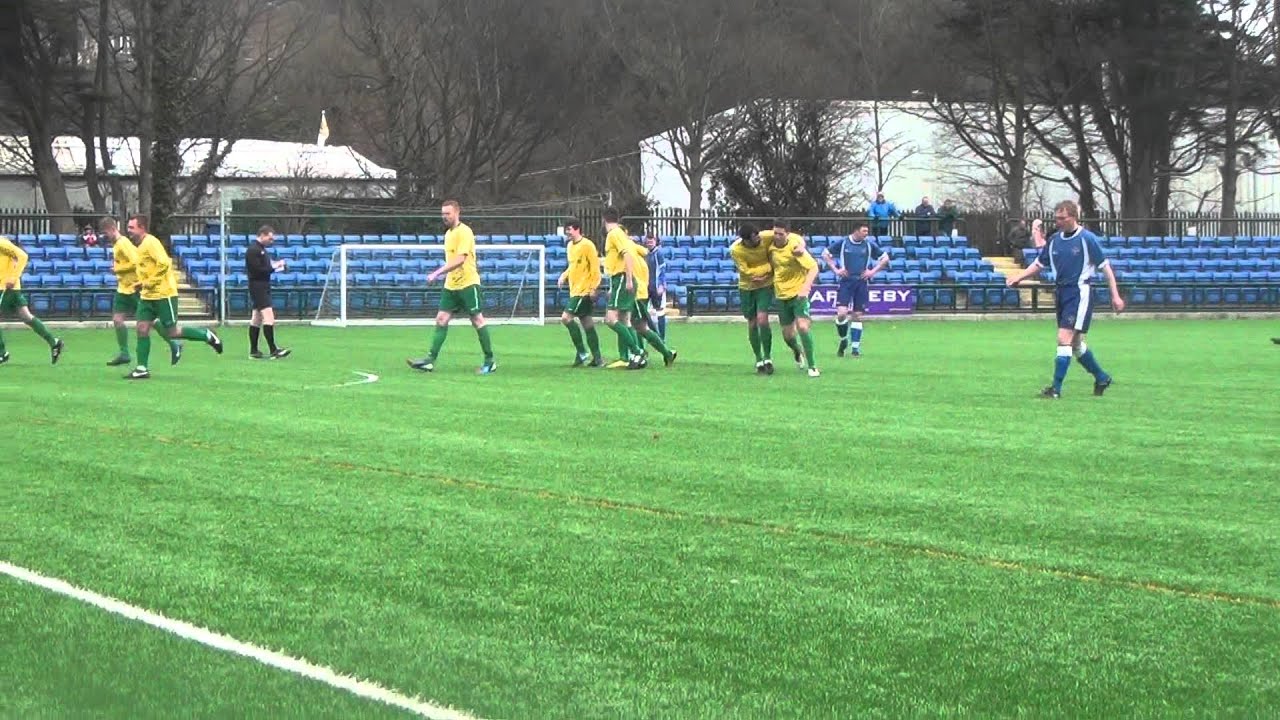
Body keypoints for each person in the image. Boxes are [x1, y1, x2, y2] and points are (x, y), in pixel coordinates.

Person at [1005, 200, 1124, 398]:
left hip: (1079, 293)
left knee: (1063, 338)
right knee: (1075, 344)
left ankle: (1056, 389)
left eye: (1062, 218)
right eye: (1056, 218)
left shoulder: (1087, 239)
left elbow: (1106, 268)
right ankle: (1102, 377)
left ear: (1073, 217)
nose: (1058, 221)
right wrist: (1019, 277)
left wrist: (1116, 296)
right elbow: (1039, 264)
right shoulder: (1054, 240)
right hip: (1062, 292)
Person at [124, 214, 223, 380]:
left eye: (131, 228)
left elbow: (164, 264)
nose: (129, 231)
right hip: (147, 296)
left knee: (172, 332)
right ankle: (142, 368)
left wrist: (148, 282)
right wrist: (142, 283)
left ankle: (206, 335)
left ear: (141, 228)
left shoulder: (151, 243)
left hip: (164, 294)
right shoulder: (139, 246)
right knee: (142, 328)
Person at [408, 200, 496, 374]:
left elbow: (460, 259)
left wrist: (437, 273)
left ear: (457, 213)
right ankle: (430, 361)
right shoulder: (448, 234)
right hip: (451, 284)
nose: (444, 217)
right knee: (441, 319)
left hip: (468, 283)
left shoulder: (465, 232)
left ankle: (489, 361)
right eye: (442, 214)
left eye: (447, 213)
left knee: (477, 320)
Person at [821, 223, 889, 357]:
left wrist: (872, 272)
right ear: (856, 231)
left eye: (867, 231)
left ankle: (855, 348)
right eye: (864, 231)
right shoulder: (844, 243)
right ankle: (843, 339)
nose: (866, 233)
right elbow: (825, 254)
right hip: (846, 282)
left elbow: (885, 258)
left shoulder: (868, 245)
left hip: (861, 283)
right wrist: (836, 269)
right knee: (841, 314)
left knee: (857, 315)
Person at [764, 219, 821, 377]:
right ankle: (797, 351)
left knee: (802, 327)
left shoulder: (795, 247)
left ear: (788, 234)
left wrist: (805, 287)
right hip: (781, 295)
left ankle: (813, 366)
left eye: (780, 234)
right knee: (788, 336)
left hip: (798, 294)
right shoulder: (770, 248)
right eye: (775, 233)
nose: (777, 236)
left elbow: (813, 267)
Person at [0, 235, 64, 365]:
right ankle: (54, 342)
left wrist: (13, 277)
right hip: (12, 288)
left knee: (27, 317)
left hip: (6, 288)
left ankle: (2, 353)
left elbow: (22, 256)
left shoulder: (2, 243)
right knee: (27, 317)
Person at [556, 218, 605, 367]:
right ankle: (597, 358)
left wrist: (593, 288)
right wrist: (563, 276)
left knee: (566, 318)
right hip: (574, 289)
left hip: (583, 290)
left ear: (577, 229)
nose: (567, 232)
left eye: (569, 229)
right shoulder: (570, 246)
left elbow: (595, 268)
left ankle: (582, 352)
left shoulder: (588, 245)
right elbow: (572, 265)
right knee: (586, 321)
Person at [600, 208, 644, 368]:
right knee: (625, 320)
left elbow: (627, 255)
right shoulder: (619, 234)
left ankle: (638, 353)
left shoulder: (614, 234)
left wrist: (628, 280)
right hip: (618, 279)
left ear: (604, 219)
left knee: (610, 319)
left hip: (622, 278)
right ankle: (627, 357)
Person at [729, 224, 775, 374]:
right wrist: (766, 269)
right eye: (754, 239)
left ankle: (768, 357)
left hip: (765, 285)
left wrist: (766, 272)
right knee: (752, 322)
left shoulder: (766, 236)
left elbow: (788, 236)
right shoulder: (736, 250)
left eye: (758, 236)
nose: (758, 240)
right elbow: (746, 270)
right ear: (746, 241)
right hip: (747, 287)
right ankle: (758, 358)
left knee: (762, 319)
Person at [628, 239, 677, 368]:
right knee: (639, 324)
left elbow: (662, 270)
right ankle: (660, 351)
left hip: (643, 291)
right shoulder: (641, 252)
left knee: (640, 324)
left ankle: (642, 352)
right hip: (644, 290)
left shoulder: (632, 251)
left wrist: (662, 284)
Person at [245, 225, 291, 359]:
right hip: (258, 286)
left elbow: (266, 267)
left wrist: (278, 266)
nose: (271, 241)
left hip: (261, 285)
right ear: (262, 235)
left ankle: (254, 351)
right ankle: (273, 350)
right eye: (270, 238)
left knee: (256, 319)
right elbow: (258, 270)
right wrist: (275, 266)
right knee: (268, 317)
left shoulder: (261, 250)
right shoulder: (254, 250)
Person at [642, 232, 668, 341]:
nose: (649, 243)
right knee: (643, 311)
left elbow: (662, 270)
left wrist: (661, 285)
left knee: (660, 311)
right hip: (646, 287)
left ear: (655, 241)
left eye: (651, 241)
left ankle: (661, 337)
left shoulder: (659, 254)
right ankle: (651, 335)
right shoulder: (645, 254)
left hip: (656, 287)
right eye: (648, 242)